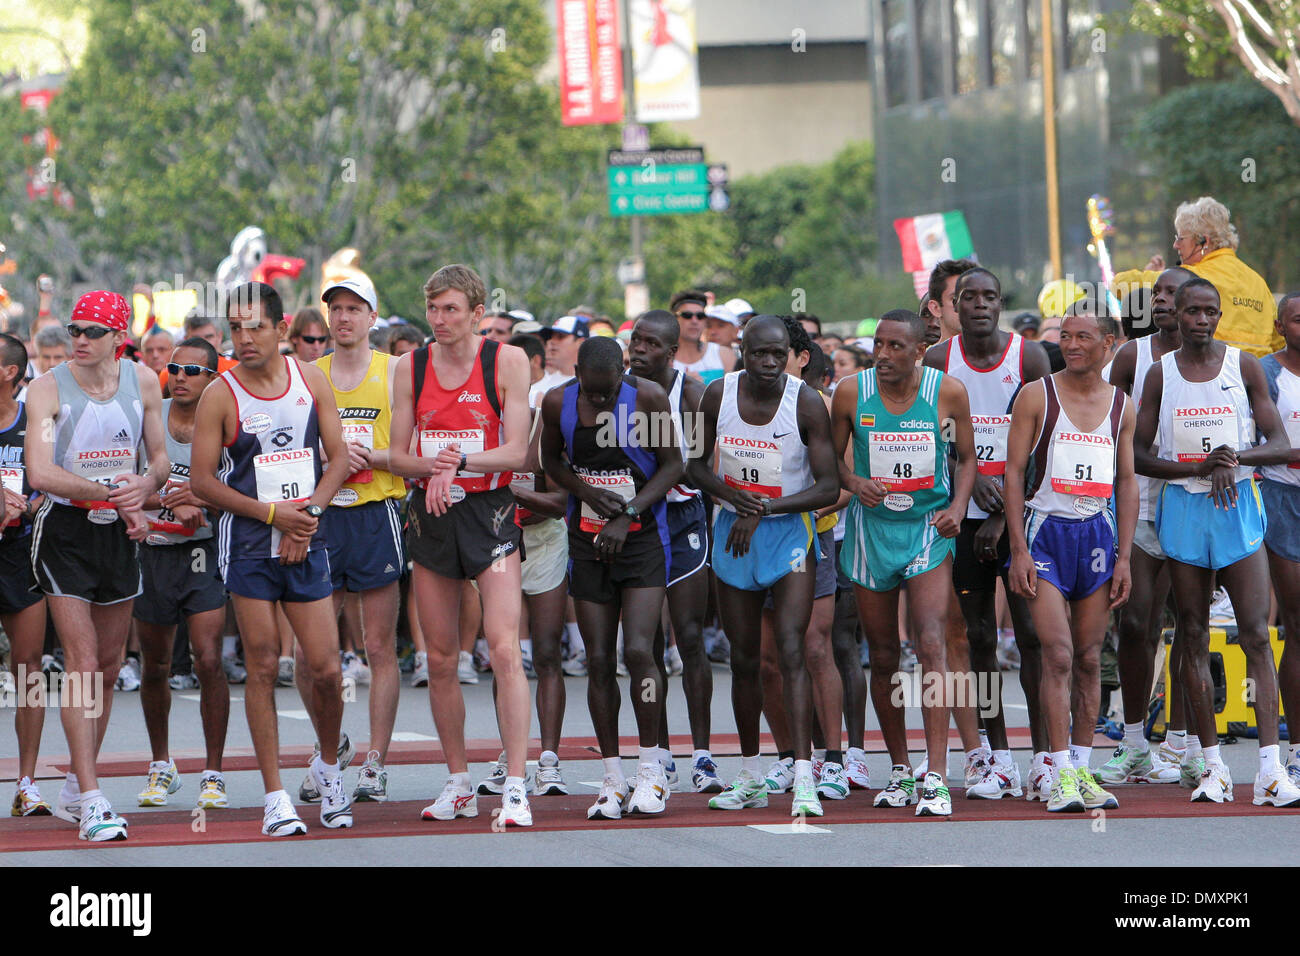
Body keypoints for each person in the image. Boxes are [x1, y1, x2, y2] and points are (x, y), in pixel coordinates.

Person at [190, 281, 354, 836]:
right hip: (252, 543)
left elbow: (339, 459)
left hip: (306, 535)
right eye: (235, 327)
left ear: (282, 329)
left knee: (327, 670)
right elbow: (202, 482)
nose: (244, 337)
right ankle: (275, 794)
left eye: (256, 326)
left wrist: (305, 516)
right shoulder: (221, 392)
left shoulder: (311, 379)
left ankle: (329, 770)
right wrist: (270, 516)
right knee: (261, 664)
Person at [1131, 277, 1300, 806]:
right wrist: (1194, 466)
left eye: (1210, 312)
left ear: (1218, 315)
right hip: (1184, 508)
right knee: (1193, 632)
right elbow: (1136, 455)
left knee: (1254, 632)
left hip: (1238, 508)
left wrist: (1232, 458)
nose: (1202, 320)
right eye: (1193, 312)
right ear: (1176, 315)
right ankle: (1212, 767)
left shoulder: (1244, 364)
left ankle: (1271, 771)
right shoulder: (1160, 374)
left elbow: (1279, 443)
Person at [387, 263, 534, 827]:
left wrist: (458, 463)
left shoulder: (507, 360)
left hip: (489, 511)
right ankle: (457, 781)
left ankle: (515, 785)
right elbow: (398, 456)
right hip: (432, 511)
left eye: (451, 310)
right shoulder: (411, 365)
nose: (439, 320)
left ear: (478, 313)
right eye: (432, 309)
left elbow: (518, 452)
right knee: (441, 656)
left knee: (502, 649)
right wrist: (435, 469)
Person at [26, 291, 169, 842]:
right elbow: (39, 472)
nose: (78, 340)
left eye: (91, 331)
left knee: (108, 667)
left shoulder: (145, 382)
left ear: (118, 337)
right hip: (64, 531)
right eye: (73, 330)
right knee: (83, 662)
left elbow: (157, 457)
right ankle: (91, 796)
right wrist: (111, 494)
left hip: (117, 535)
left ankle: (74, 786)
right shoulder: (46, 389)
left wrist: (145, 485)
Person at [686, 315, 840, 817]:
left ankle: (803, 777)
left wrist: (765, 510)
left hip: (787, 534)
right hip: (733, 533)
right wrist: (737, 500)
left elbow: (827, 486)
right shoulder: (717, 395)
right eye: (759, 354)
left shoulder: (807, 401)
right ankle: (751, 774)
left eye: (778, 354)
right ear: (741, 351)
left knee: (792, 651)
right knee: (746, 658)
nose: (770, 363)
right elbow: (691, 464)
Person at [832, 309, 976, 816]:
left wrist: (958, 507)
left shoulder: (948, 392)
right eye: (879, 344)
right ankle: (898, 768)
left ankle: (934, 774)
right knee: (884, 653)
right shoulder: (851, 393)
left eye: (896, 347)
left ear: (919, 351)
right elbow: (830, 461)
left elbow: (966, 459)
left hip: (927, 531)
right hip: (873, 533)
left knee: (932, 642)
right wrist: (854, 483)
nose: (883, 355)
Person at [540, 336, 683, 818]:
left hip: (642, 538)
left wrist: (630, 513)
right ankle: (612, 775)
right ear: (576, 372)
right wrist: (584, 492)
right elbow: (550, 461)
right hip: (586, 539)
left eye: (609, 392)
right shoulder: (558, 401)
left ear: (623, 373)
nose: (601, 401)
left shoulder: (647, 397)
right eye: (593, 393)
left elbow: (674, 465)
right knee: (598, 659)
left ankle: (650, 770)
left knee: (639, 650)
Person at [924, 267, 1053, 797]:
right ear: (951, 305)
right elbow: (935, 442)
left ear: (1001, 303)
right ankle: (998, 757)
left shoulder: (1030, 357)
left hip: (1022, 516)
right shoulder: (937, 361)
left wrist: (1005, 515)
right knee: (978, 637)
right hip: (964, 514)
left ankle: (1048, 755)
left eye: (989, 297)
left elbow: (1044, 447)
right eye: (967, 297)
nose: (979, 305)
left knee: (1033, 637)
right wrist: (968, 485)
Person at [1004, 309, 1136, 813]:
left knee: (1088, 657)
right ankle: (1057, 769)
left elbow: (1126, 482)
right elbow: (1013, 473)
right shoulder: (1038, 394)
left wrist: (1123, 557)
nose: (1072, 344)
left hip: (1097, 536)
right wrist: (1017, 547)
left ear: (1110, 344)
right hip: (1045, 535)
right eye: (1066, 336)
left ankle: (1082, 768)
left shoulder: (1122, 405)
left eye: (1084, 337)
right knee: (1056, 653)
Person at [303, 275, 405, 803]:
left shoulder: (394, 372)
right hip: (320, 517)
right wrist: (326, 460)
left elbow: (414, 445)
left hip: (374, 512)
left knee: (378, 645)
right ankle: (329, 748)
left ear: (372, 316)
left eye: (353, 309)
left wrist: (375, 458)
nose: (343, 318)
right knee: (311, 652)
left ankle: (376, 761)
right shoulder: (307, 374)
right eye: (335, 308)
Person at [1097, 269, 1194, 787]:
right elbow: (1100, 417)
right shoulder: (1133, 357)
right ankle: (1134, 741)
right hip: (1139, 505)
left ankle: (1181, 742)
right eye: (1156, 293)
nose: (1160, 300)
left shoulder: (1219, 361)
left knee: (1191, 626)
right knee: (1136, 624)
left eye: (1171, 293)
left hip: (1197, 505)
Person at [627, 310, 723, 792]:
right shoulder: (619, 389)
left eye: (648, 344)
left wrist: (665, 469)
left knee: (688, 638)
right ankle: (658, 749)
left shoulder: (692, 393)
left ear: (670, 351)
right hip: (638, 522)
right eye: (634, 340)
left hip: (683, 519)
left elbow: (702, 466)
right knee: (645, 647)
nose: (638, 349)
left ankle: (703, 754)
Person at [133, 338, 231, 810]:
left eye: (193, 369)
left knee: (208, 658)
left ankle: (213, 772)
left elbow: (242, 491)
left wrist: (201, 501)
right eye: (175, 367)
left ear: (213, 377)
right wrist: (170, 502)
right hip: (154, 550)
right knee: (154, 665)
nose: (181, 376)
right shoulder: (151, 419)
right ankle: (161, 763)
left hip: (205, 553)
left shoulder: (225, 418)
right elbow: (125, 489)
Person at [507, 331, 572, 795]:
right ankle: (507, 755)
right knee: (506, 655)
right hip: (499, 546)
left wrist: (519, 494)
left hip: (545, 541)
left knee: (547, 653)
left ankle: (548, 758)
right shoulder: (484, 426)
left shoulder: (545, 425)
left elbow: (563, 501)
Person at [1116, 196, 1280, 359]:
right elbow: (1278, 343)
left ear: (1204, 242)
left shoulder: (1189, 279)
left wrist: (1158, 278)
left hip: (1208, 373)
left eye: (1180, 238)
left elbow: (1119, 285)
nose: (1175, 245)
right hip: (1256, 377)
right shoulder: (1259, 283)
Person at [1, 334, 52, 816]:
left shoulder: (32, 422)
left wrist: (28, 504)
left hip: (18, 552)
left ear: (10, 372)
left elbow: (47, 481)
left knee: (29, 666)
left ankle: (27, 783)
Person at [1258, 292, 1300, 788]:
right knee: (1296, 623)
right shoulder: (1267, 373)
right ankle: (1294, 752)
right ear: (1280, 325)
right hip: (1284, 502)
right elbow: (1261, 442)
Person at [672, 290, 735, 383]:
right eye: (687, 315)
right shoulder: (663, 359)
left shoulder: (724, 355)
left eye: (700, 316)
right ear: (674, 319)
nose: (694, 321)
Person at [531, 315, 587, 408]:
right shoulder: (536, 386)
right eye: (551, 337)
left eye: (560, 336)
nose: (552, 341)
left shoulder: (589, 385)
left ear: (580, 342)